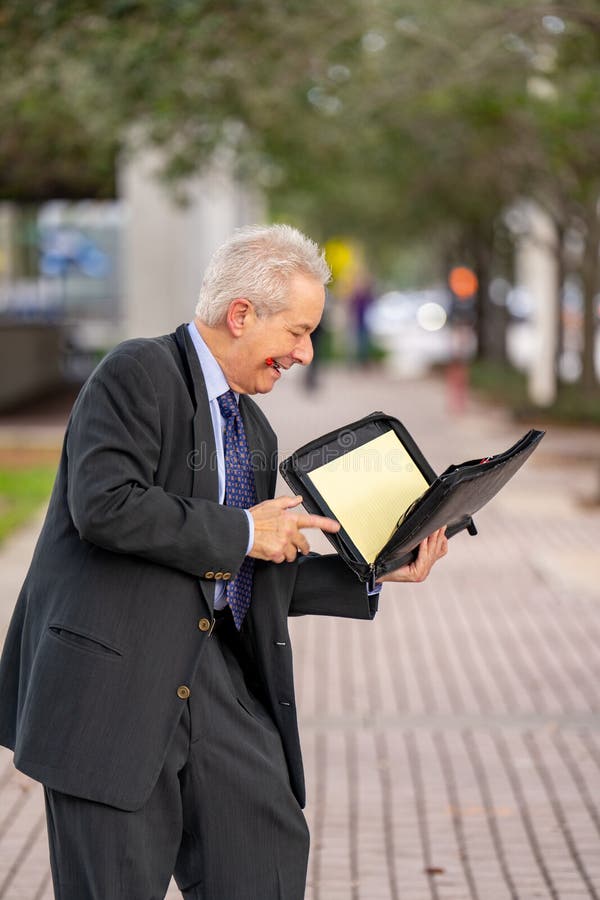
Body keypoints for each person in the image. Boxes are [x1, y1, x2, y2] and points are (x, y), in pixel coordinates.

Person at [0, 224, 448, 899]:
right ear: (242, 315)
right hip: (110, 694)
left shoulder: (254, 429)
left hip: (215, 681)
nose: (304, 353)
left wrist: (373, 570)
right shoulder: (136, 371)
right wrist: (243, 531)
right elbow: (105, 505)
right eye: (297, 332)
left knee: (266, 855)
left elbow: (246, 567)